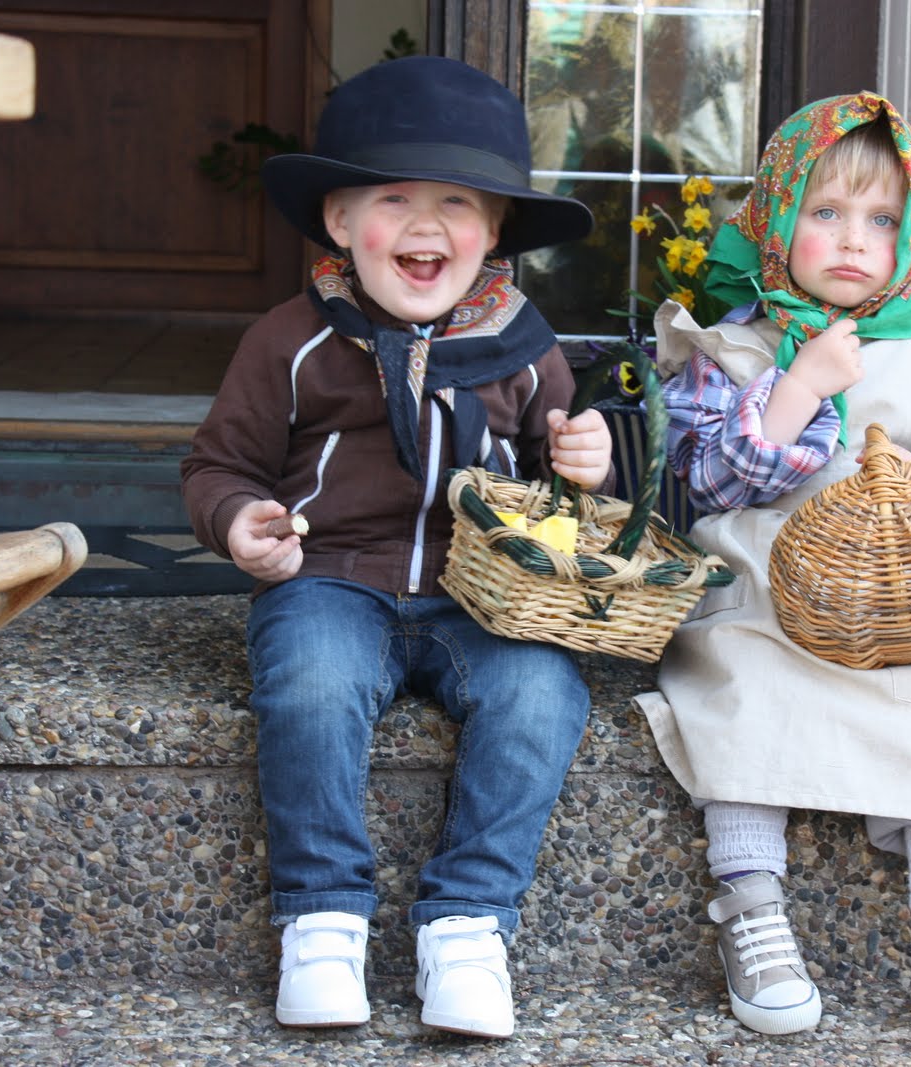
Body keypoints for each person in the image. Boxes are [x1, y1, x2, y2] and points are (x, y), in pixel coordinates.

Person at [181, 55, 612, 1040]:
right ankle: (322, 918)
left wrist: (585, 460)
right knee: (313, 684)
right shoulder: (290, 338)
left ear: (494, 230)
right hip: (332, 580)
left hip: (484, 596)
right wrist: (240, 520)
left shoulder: (523, 341)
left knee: (542, 690)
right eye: (393, 199)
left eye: (456, 202)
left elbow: (563, 488)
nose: (426, 226)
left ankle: (468, 923)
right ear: (338, 220)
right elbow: (218, 464)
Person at [633, 92, 911, 1035]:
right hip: (767, 590)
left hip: (906, 605)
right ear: (776, 217)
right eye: (825, 213)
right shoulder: (733, 347)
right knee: (740, 693)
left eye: (882, 220)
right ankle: (754, 909)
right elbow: (708, 485)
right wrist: (801, 383)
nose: (855, 240)